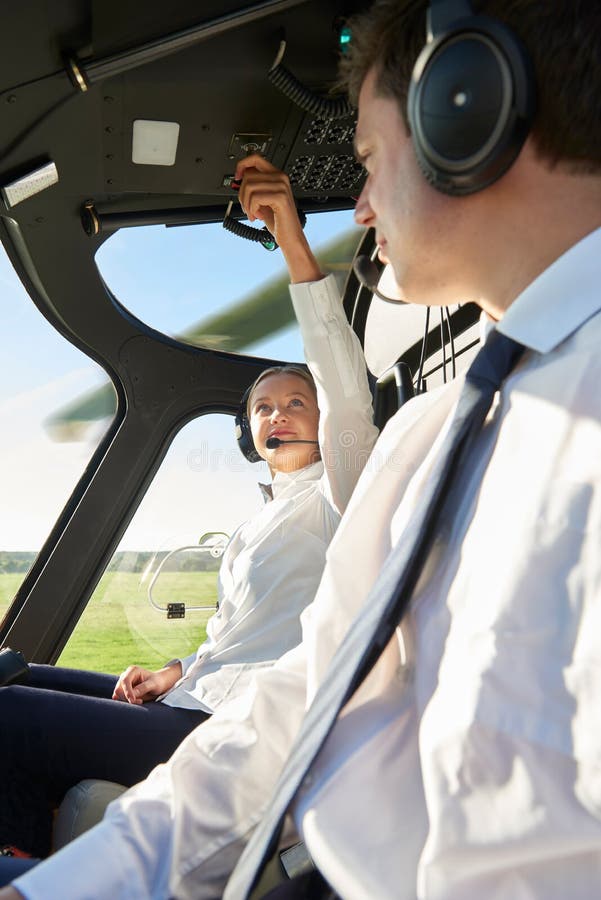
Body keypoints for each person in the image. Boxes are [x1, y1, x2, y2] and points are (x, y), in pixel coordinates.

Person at [3, 0, 601, 896]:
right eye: (263, 411)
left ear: (465, 111)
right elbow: (301, 693)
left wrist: (291, 244)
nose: (356, 206)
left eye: (364, 161)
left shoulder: (378, 463)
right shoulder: (435, 439)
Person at [0, 159, 377, 861]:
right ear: (248, 435)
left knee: (6, 715)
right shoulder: (264, 516)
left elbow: (345, 384)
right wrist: (180, 666)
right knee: (12, 670)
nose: (277, 414)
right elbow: (252, 637)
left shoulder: (343, 492)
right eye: (262, 407)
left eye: (297, 401)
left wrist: (291, 239)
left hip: (233, 735)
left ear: (327, 422)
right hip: (197, 697)